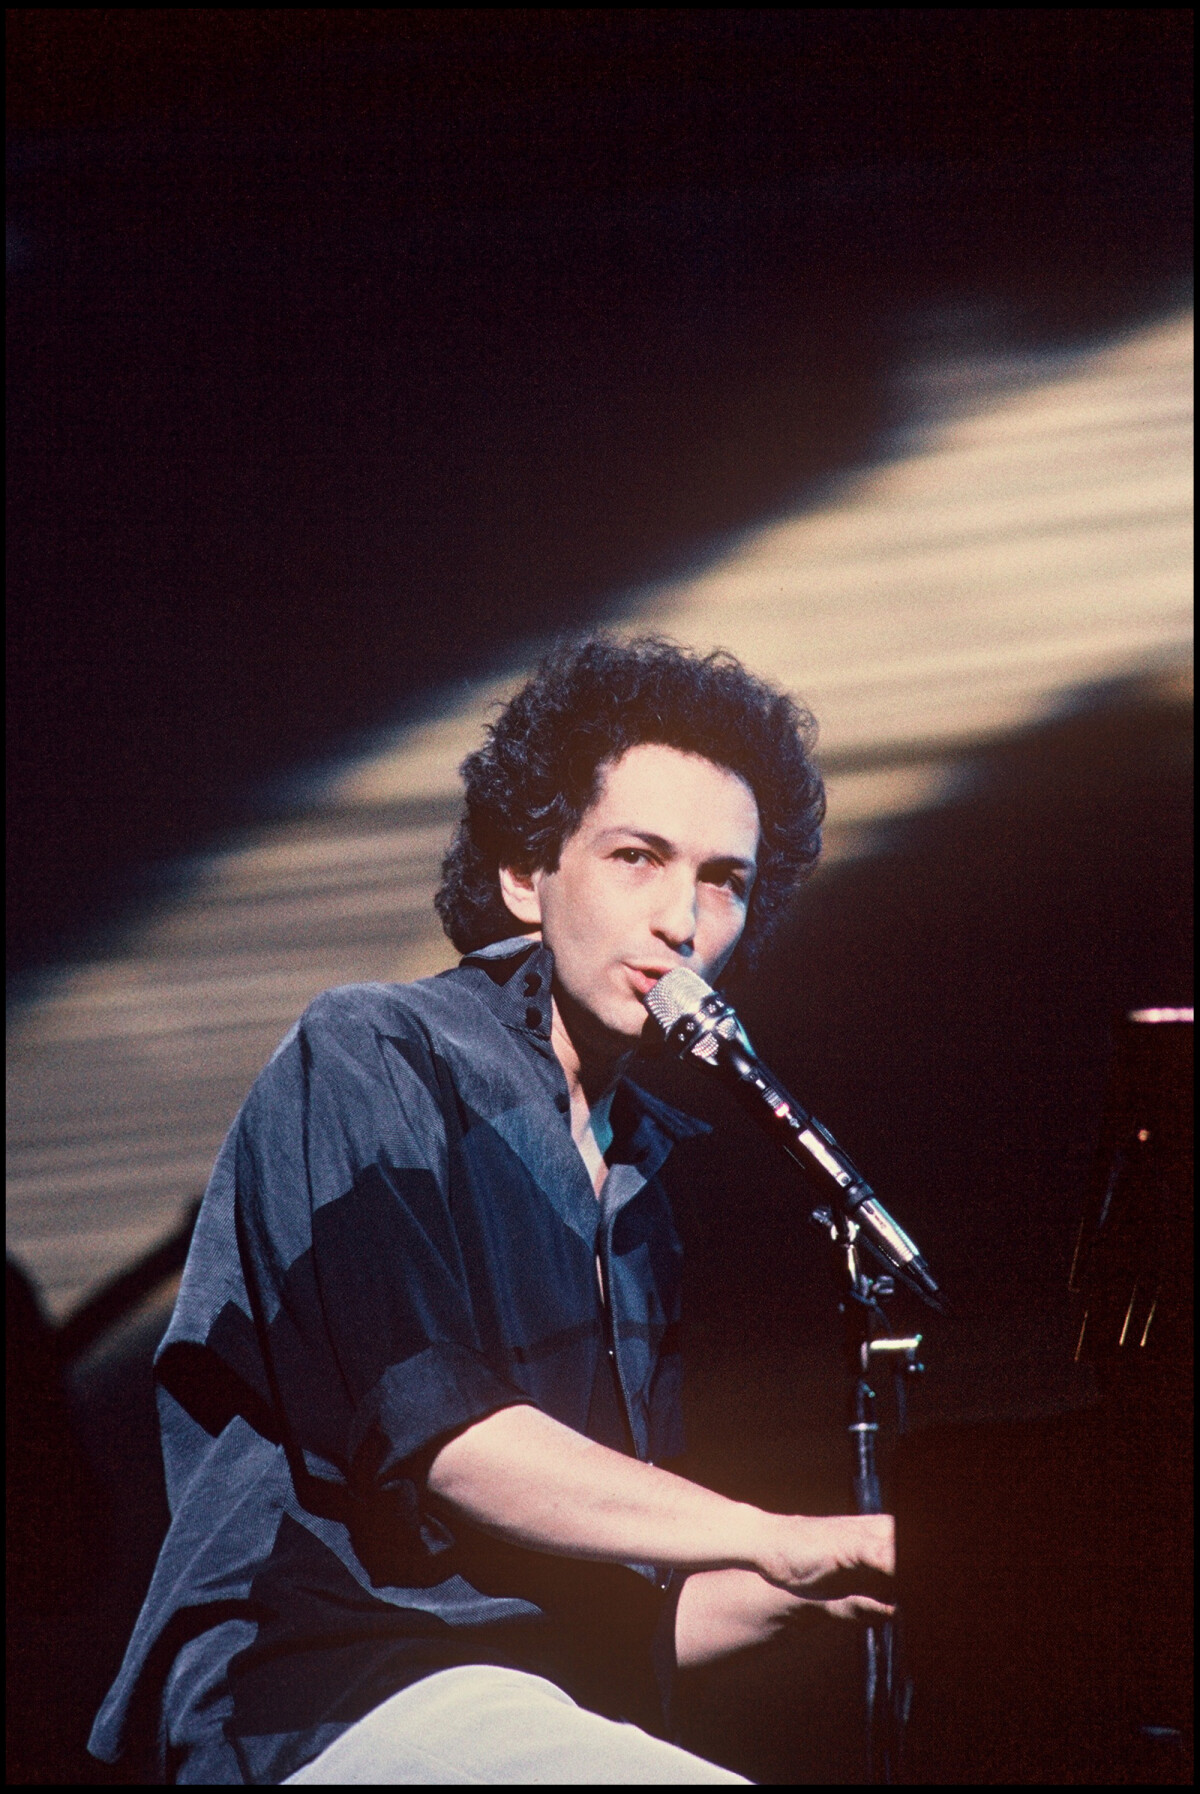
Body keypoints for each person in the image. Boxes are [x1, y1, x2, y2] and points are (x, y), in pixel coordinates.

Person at [89, 636, 895, 1785]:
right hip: (316, 1695)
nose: (684, 919)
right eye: (637, 857)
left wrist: (854, 1578)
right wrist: (778, 1535)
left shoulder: (647, 1177)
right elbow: (452, 1443)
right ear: (526, 873)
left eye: (725, 880)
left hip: (514, 1709)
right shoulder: (372, 1052)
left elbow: (626, 1606)